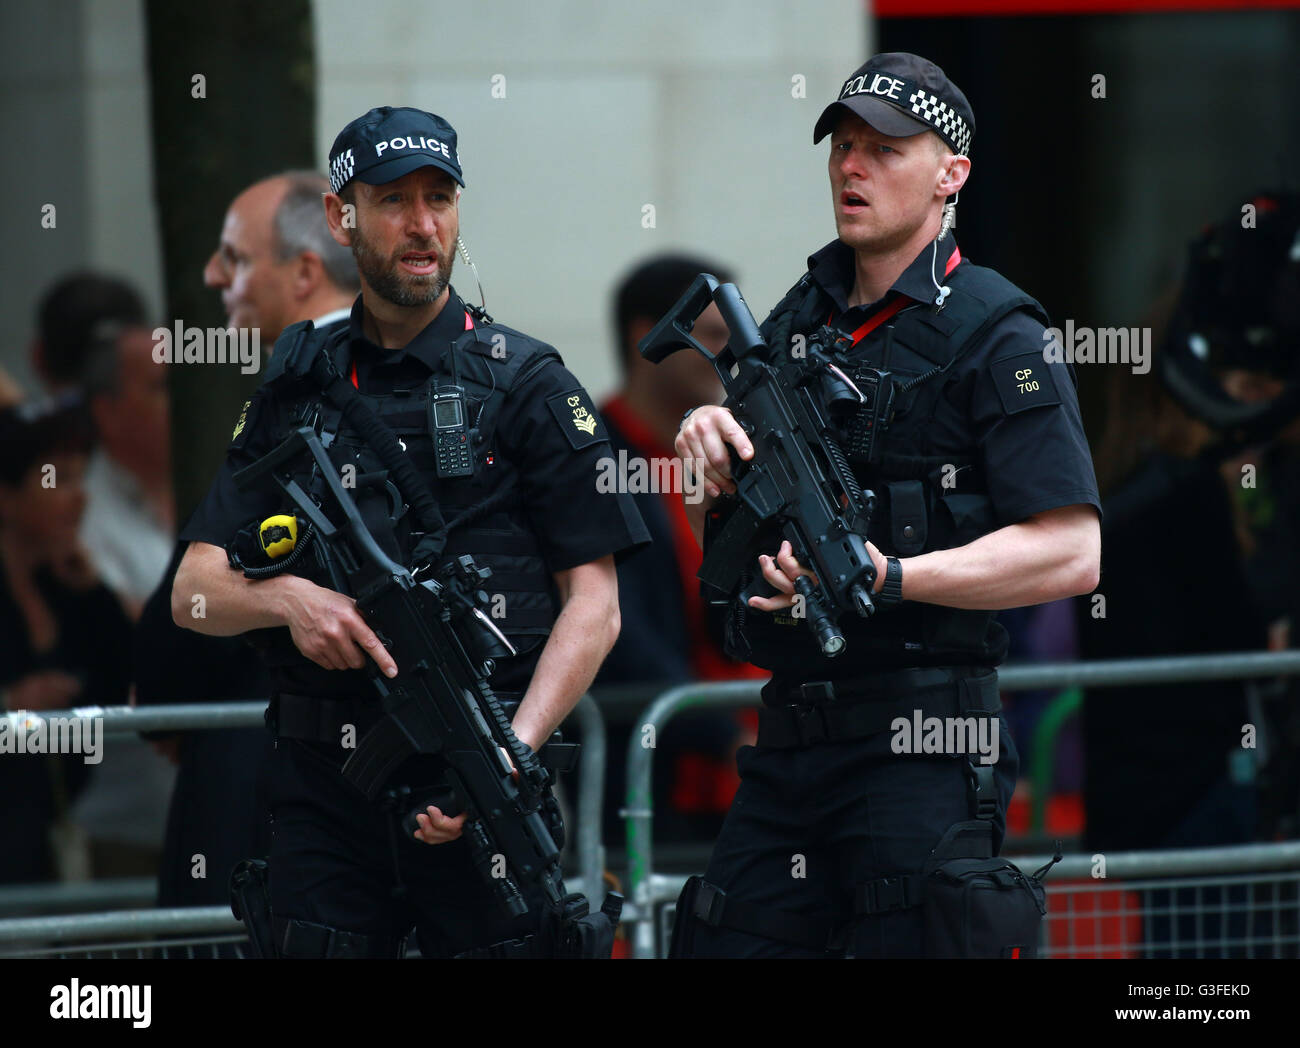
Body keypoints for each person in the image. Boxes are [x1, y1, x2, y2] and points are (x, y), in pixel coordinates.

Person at [172, 106, 647, 958]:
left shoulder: (528, 384)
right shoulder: (296, 388)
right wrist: (288, 601)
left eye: (440, 198)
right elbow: (192, 592)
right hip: (322, 794)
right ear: (340, 217)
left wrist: (513, 752)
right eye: (394, 201)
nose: (423, 225)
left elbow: (596, 605)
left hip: (476, 772)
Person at [669, 53, 1101, 958]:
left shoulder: (999, 331)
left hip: (924, 746)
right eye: (845, 145)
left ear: (953, 175)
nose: (852, 166)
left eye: (886, 150)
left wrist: (894, 575)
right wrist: (712, 433)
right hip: (791, 735)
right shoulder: (802, 314)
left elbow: (1072, 552)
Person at [137, 170, 359, 910]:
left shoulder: (302, 394)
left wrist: (169, 692)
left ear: (303, 272)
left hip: (277, 776)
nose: (211, 276)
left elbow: (196, 606)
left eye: (233, 257)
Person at [596, 255, 764, 843]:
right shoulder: (594, 456)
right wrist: (722, 733)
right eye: (712, 338)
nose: (728, 355)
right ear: (649, 336)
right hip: (659, 774)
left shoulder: (732, 448)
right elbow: (615, 628)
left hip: (750, 760)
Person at [0, 397, 133, 884]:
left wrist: (97, 590)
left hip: (58, 846)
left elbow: (129, 681)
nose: (79, 497)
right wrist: (8, 703)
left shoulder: (73, 592)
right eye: (57, 479)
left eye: (82, 478)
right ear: (5, 495)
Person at [203, 171, 359, 343]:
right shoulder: (373, 358)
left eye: (236, 259)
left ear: (304, 273)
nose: (213, 277)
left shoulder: (313, 366)